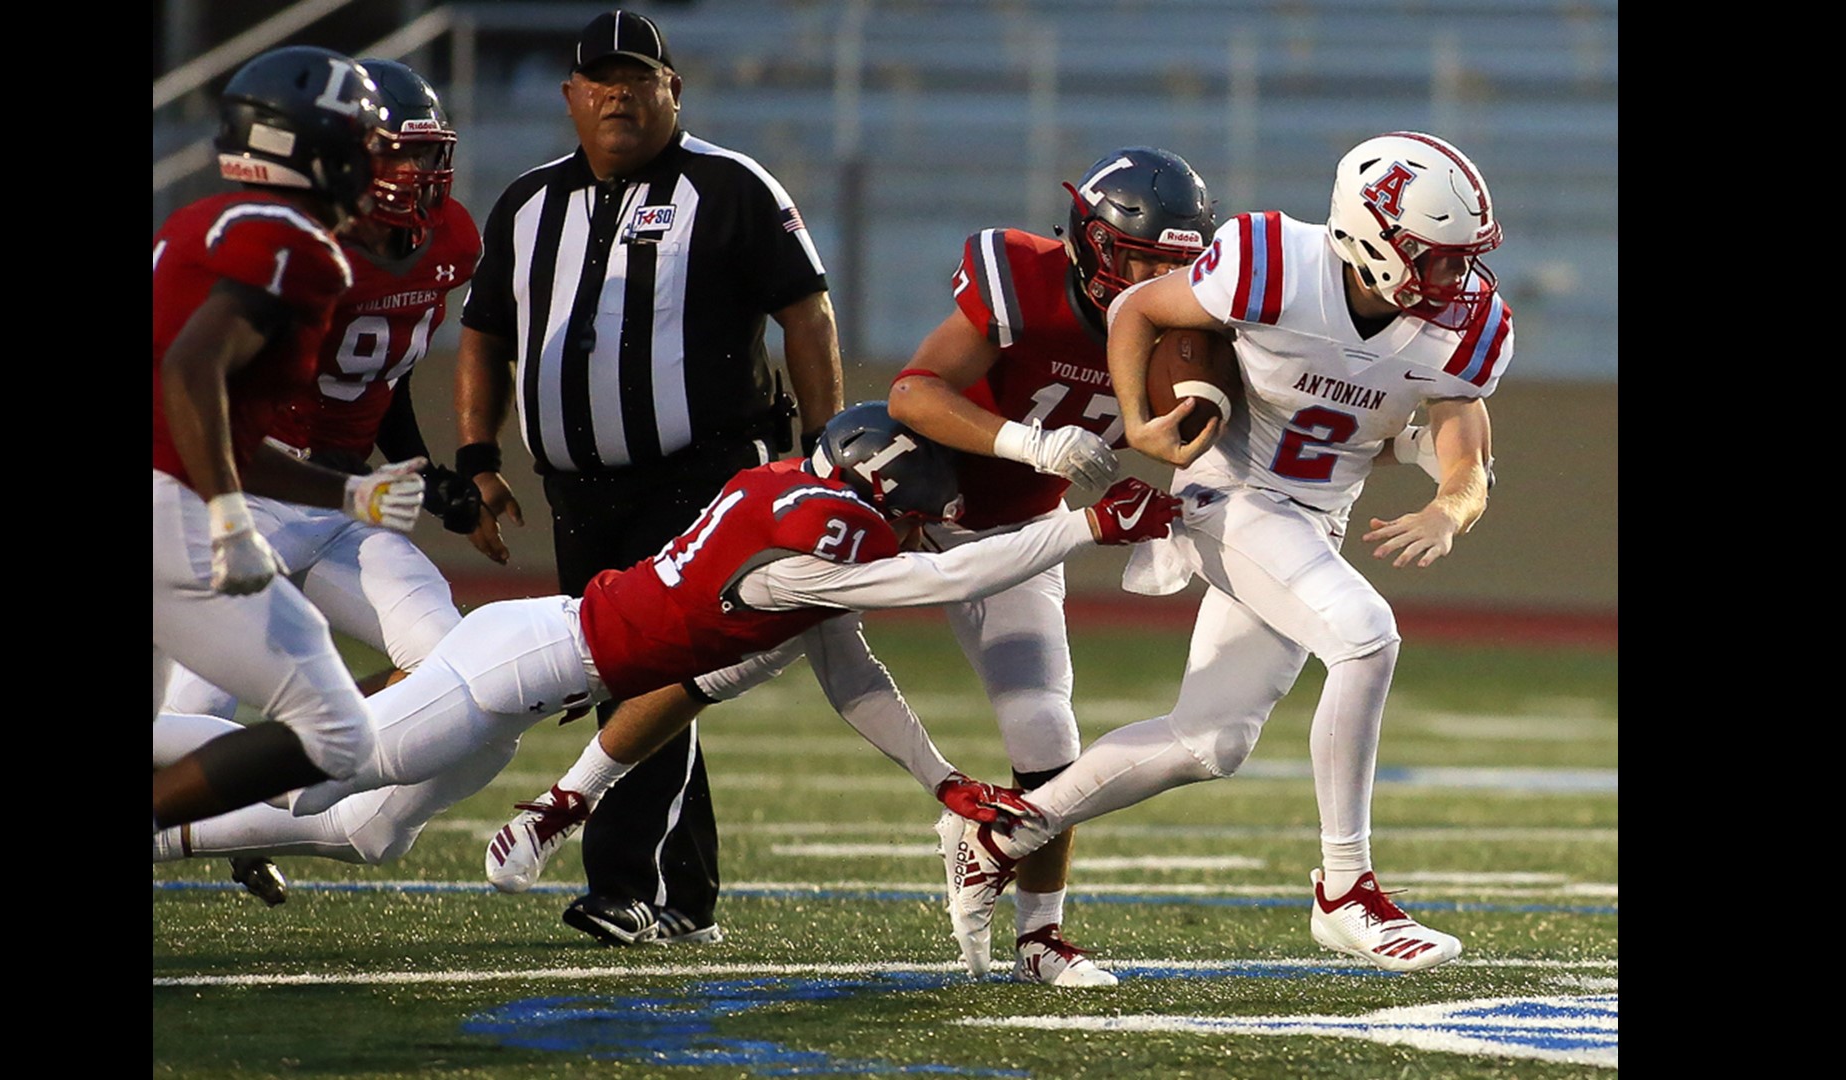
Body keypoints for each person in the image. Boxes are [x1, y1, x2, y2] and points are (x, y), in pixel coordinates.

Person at [153, 406, 1180, 905]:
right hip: (525, 662)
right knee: (331, 758)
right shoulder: (812, 539)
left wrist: (943, 780)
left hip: (536, 666)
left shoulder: (793, 503)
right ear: (871, 486)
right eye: (909, 512)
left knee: (370, 832)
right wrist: (1085, 527)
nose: (914, 531)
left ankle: (173, 840)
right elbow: (937, 581)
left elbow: (852, 673)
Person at [938, 131, 1510, 976]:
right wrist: (1139, 424)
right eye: (1434, 258)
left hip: (1312, 522)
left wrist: (1447, 511)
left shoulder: (1469, 325)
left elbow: (1469, 461)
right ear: (1370, 237)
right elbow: (1139, 309)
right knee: (1365, 635)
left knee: (1211, 741)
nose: (1454, 279)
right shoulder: (1270, 260)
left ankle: (1005, 832)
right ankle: (1345, 890)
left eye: (1463, 259)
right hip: (1227, 494)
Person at [452, 8, 844, 947]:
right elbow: (485, 333)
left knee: (650, 665)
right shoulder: (528, 202)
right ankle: (684, 896)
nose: (618, 95)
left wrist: (824, 448)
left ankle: (624, 884)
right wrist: (476, 456)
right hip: (578, 487)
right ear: (571, 96)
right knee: (623, 672)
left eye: (637, 78)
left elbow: (808, 313)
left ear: (674, 89)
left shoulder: (731, 185)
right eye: (601, 79)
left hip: (701, 475)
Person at [155, 58, 485, 905]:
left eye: (424, 153)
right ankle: (247, 798)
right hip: (230, 489)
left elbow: (385, 377)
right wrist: (227, 512)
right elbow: (196, 380)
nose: (416, 171)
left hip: (334, 495)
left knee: (459, 672)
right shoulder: (289, 244)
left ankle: (280, 800)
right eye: (395, 152)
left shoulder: (449, 241)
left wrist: (416, 477)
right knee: (196, 721)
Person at [884, 147, 1214, 987]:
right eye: (1141, 259)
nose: (1158, 281)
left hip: (1019, 535)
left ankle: (1040, 938)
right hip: (904, 513)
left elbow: (1227, 426)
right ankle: (585, 788)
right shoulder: (1024, 282)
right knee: (733, 649)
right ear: (1093, 243)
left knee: (1047, 733)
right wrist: (1025, 442)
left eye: (1173, 266)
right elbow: (912, 393)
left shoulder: (1190, 327)